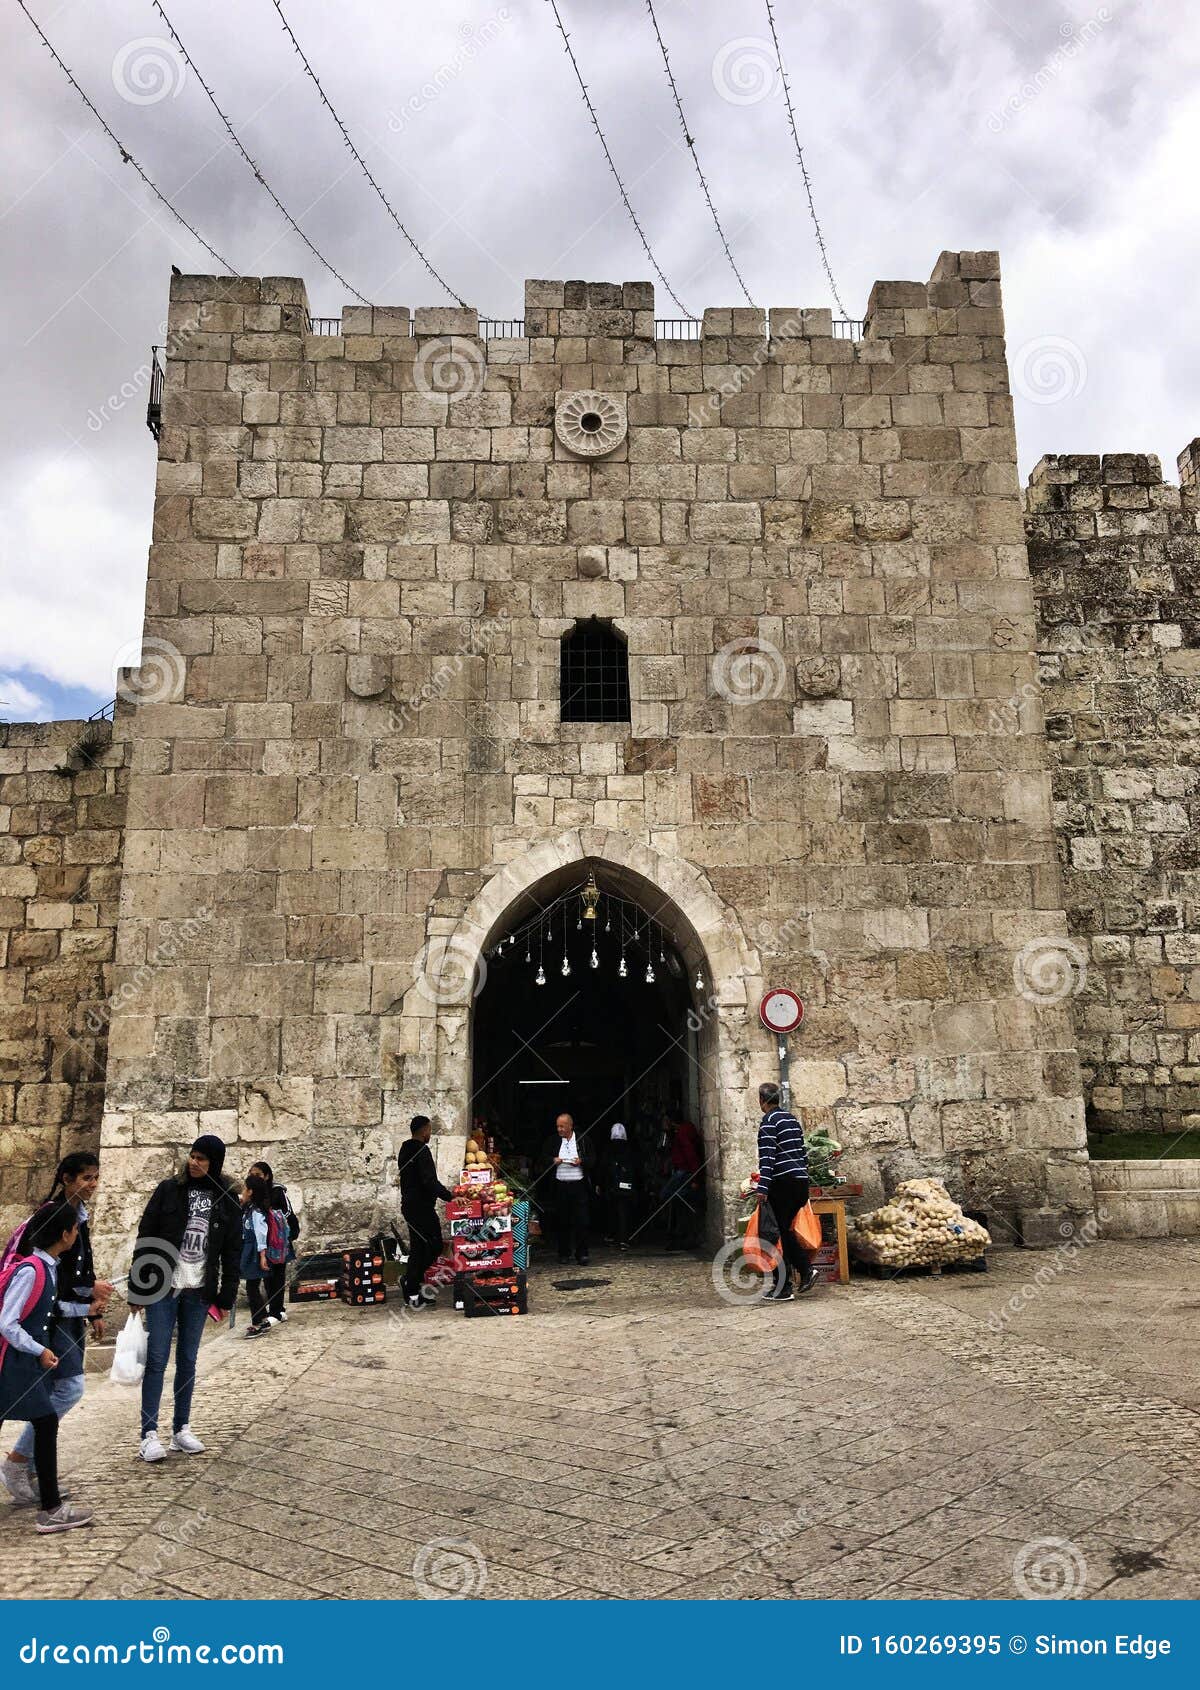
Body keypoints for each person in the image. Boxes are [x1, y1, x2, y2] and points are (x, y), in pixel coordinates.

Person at [2, 1152, 113, 1508]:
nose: (93, 1184)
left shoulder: (79, 1216)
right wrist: (88, 1294)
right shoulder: (51, 1219)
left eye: (96, 1177)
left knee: (57, 1392)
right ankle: (20, 1462)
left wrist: (92, 1310)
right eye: (86, 1178)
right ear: (66, 1179)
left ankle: (34, 1470)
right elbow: (46, 1274)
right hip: (49, 1319)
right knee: (67, 1389)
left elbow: (83, 1265)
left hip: (68, 1314)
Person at [129, 1133, 241, 1461]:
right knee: (157, 1359)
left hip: (198, 1290)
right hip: (163, 1287)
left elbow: (232, 1251)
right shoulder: (168, 1190)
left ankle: (181, 1429)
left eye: (201, 1158)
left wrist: (226, 1296)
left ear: (214, 1163)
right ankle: (149, 1433)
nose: (194, 1162)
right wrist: (138, 1287)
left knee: (188, 1360)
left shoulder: (227, 1199)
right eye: (192, 1156)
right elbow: (146, 1237)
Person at [0, 1200, 93, 1533]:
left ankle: (51, 1506)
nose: (77, 1234)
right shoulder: (32, 1270)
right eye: (75, 1229)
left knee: (44, 1420)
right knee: (46, 1420)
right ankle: (51, 1510)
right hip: (12, 1364)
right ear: (65, 1234)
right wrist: (40, 1350)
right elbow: (7, 1323)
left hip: (22, 1363)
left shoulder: (49, 1267)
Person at [755, 1082, 818, 1302]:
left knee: (774, 1234)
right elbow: (803, 1153)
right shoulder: (791, 1120)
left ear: (762, 1100)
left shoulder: (769, 1122)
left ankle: (786, 1285)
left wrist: (763, 1187)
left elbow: (767, 1157)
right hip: (799, 1183)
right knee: (784, 1231)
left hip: (782, 1184)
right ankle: (803, 1272)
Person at [398, 1115, 453, 1310]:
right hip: (421, 1208)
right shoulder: (422, 1150)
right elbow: (429, 1181)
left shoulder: (405, 1149)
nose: (430, 1133)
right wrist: (450, 1197)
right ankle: (410, 1283)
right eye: (429, 1130)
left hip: (410, 1206)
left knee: (419, 1247)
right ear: (424, 1130)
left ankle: (412, 1287)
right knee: (433, 1245)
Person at [247, 1160, 298, 1325]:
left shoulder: (277, 1191)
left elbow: (287, 1211)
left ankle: (277, 1310)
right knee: (268, 1275)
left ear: (267, 1176)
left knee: (278, 1275)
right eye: (252, 1175)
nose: (255, 1178)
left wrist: (272, 1217)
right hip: (265, 1241)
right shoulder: (252, 1194)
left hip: (279, 1238)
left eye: (258, 1175)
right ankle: (276, 1308)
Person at [545, 1113, 593, 1266]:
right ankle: (564, 1253)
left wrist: (581, 1161)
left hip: (579, 1185)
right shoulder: (553, 1141)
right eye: (558, 1126)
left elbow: (593, 1159)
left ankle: (582, 1253)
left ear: (570, 1126)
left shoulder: (583, 1140)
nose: (559, 1129)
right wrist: (553, 1160)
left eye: (562, 1126)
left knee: (582, 1220)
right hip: (560, 1185)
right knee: (562, 1220)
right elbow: (542, 1158)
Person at [662, 1118, 704, 1251]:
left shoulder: (682, 1133)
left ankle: (681, 1235)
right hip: (684, 1170)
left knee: (666, 1195)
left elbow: (690, 1155)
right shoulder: (681, 1132)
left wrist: (695, 1179)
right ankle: (681, 1235)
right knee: (679, 1203)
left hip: (684, 1171)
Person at [240, 1173, 273, 1339]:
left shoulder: (256, 1212)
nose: (243, 1192)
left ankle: (257, 1322)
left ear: (251, 1191)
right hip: (250, 1251)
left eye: (244, 1189)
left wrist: (262, 1256)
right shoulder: (250, 1208)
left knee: (252, 1288)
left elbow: (261, 1234)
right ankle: (263, 1318)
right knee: (252, 1287)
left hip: (254, 1252)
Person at [604, 1123, 635, 1250]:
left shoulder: (609, 1149)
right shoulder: (629, 1149)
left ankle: (613, 1235)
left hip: (612, 1185)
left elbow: (604, 1166)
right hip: (626, 1185)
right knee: (623, 1211)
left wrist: (602, 1183)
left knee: (613, 1211)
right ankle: (623, 1238)